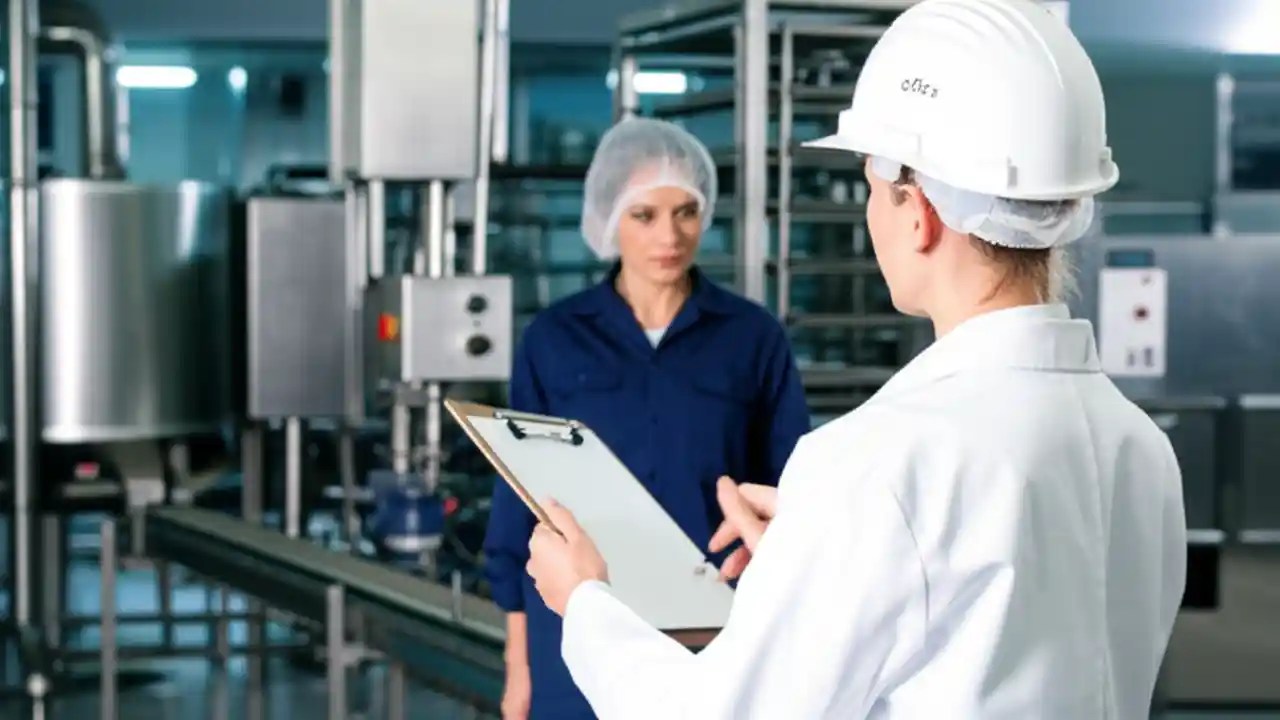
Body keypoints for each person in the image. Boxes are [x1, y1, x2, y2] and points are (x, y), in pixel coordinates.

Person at [524, 1, 1188, 717]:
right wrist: (822, 549)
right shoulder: (1140, 448)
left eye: (871, 188)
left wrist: (585, 601)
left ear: (917, 212)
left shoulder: (876, 465)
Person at [483, 117, 811, 719]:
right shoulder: (554, 339)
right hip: (578, 629)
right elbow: (517, 511)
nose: (670, 235)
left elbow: (790, 494)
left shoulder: (752, 338)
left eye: (686, 212)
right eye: (644, 215)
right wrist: (518, 668)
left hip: (714, 636)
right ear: (609, 219)